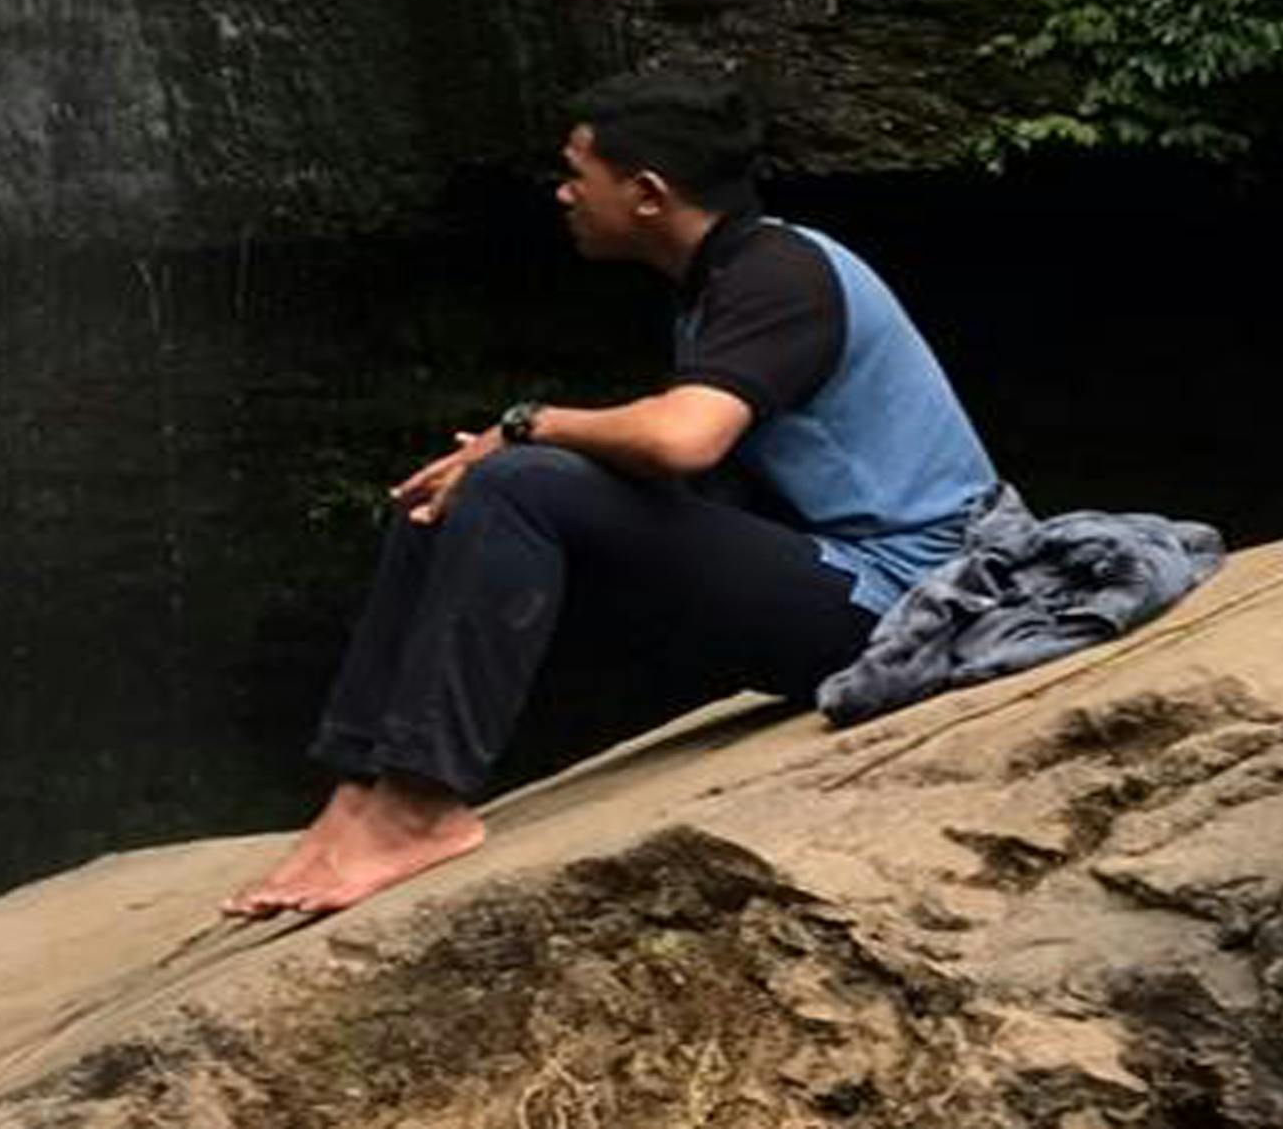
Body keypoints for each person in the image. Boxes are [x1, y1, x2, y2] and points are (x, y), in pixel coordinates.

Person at [226, 58, 997, 919]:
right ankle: (360, 794)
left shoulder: (781, 275)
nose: (559, 193)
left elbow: (683, 440)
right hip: (843, 575)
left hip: (910, 597)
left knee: (517, 479)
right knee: (449, 496)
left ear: (647, 193)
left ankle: (420, 806)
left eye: (575, 173)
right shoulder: (726, 277)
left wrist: (531, 424)